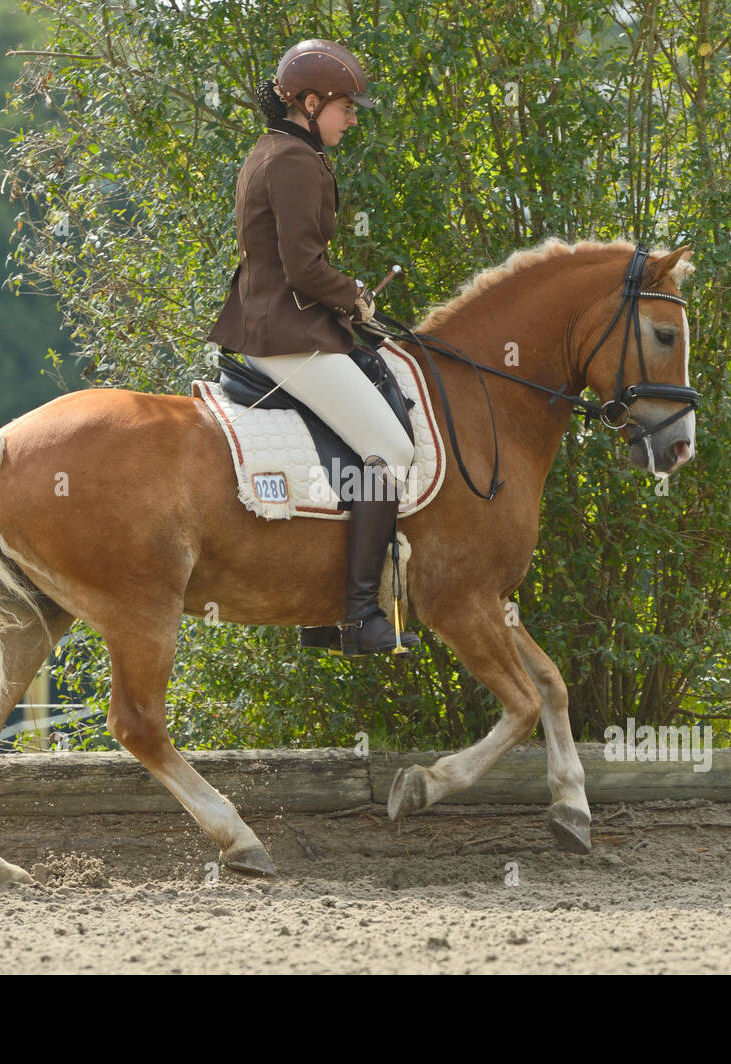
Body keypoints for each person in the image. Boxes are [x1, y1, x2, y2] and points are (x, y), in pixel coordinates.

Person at [207, 38, 419, 657]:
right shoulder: (296, 161)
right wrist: (353, 293)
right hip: (286, 337)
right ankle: (357, 616)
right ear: (308, 102)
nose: (353, 118)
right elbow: (302, 268)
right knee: (390, 447)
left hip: (278, 325)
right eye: (345, 106)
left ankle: (325, 609)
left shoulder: (272, 150)